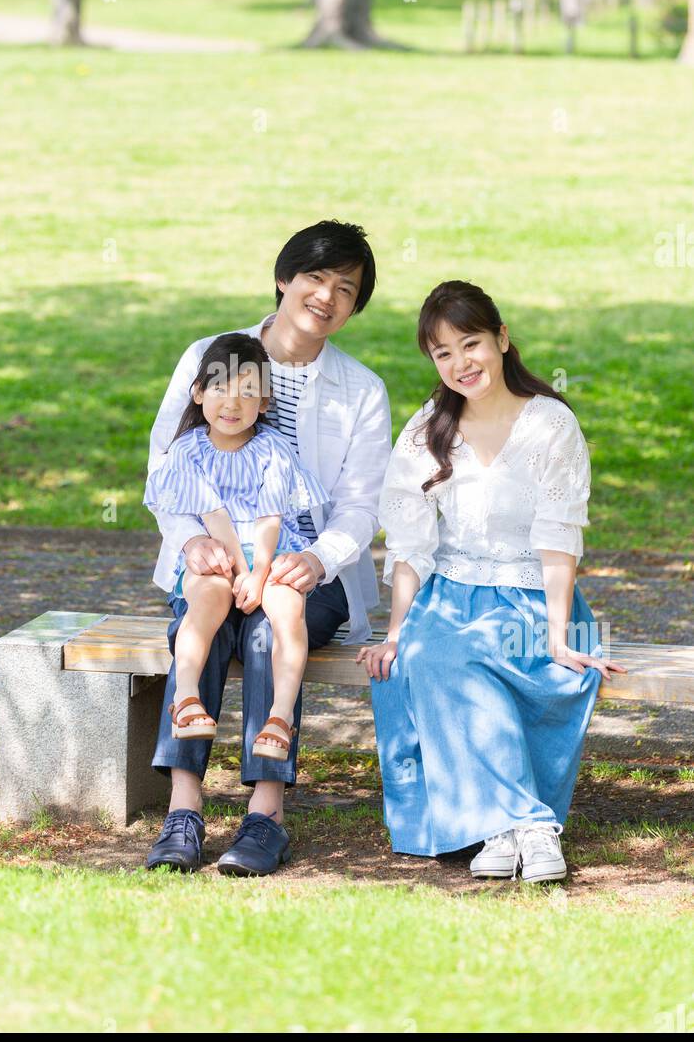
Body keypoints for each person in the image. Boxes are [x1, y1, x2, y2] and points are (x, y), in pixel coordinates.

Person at [144, 220, 391, 876]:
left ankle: (265, 814)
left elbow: (363, 505)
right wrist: (193, 540)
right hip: (215, 559)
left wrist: (315, 560)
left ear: (354, 307)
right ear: (284, 279)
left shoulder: (361, 391)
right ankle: (184, 809)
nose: (326, 296)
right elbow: (165, 465)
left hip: (309, 570)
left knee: (264, 633)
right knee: (208, 617)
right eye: (314, 277)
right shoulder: (213, 353)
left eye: (346, 288)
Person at [358, 279, 626, 883]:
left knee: (492, 654)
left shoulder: (549, 426)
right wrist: (396, 630)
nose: (460, 363)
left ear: (502, 339)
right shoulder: (430, 427)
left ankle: (511, 822)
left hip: (535, 595)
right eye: (442, 353)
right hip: (451, 595)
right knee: (431, 653)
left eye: (470, 343)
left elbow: (559, 538)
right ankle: (515, 824)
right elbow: (410, 545)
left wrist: (559, 635)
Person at [143, 331, 330, 761]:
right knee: (207, 601)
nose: (232, 403)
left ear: (264, 403)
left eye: (249, 392)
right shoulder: (187, 451)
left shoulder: (272, 449)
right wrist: (237, 574)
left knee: (287, 611)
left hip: (270, 552)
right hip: (217, 556)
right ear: (198, 393)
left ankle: (279, 718)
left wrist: (260, 574)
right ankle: (186, 699)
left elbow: (270, 517)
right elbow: (214, 517)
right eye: (221, 388)